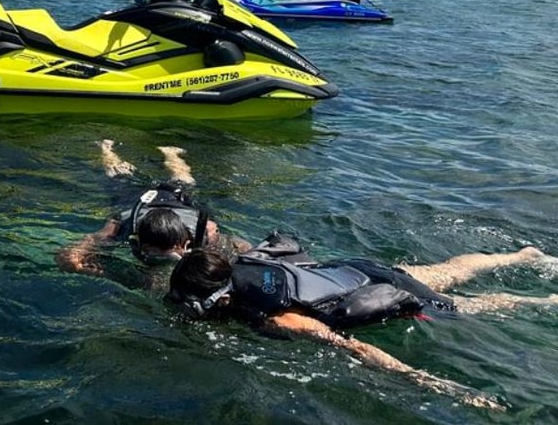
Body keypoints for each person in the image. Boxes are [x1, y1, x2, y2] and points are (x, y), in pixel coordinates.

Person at [167, 233, 557, 409]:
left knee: (461, 306)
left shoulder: (281, 318)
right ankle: (522, 256)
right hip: (355, 269)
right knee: (448, 270)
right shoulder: (242, 262)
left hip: (373, 289)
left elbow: (353, 347)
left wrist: (432, 383)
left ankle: (544, 300)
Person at [56, 140, 250, 282]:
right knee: (118, 176)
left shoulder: (204, 234)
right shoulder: (121, 229)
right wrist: (89, 266)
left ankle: (171, 153)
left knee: (184, 180)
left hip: (178, 202)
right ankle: (106, 148)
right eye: (153, 253)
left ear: (186, 244)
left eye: (170, 252)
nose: (162, 259)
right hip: (138, 203)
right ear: (139, 243)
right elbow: (71, 254)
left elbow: (241, 246)